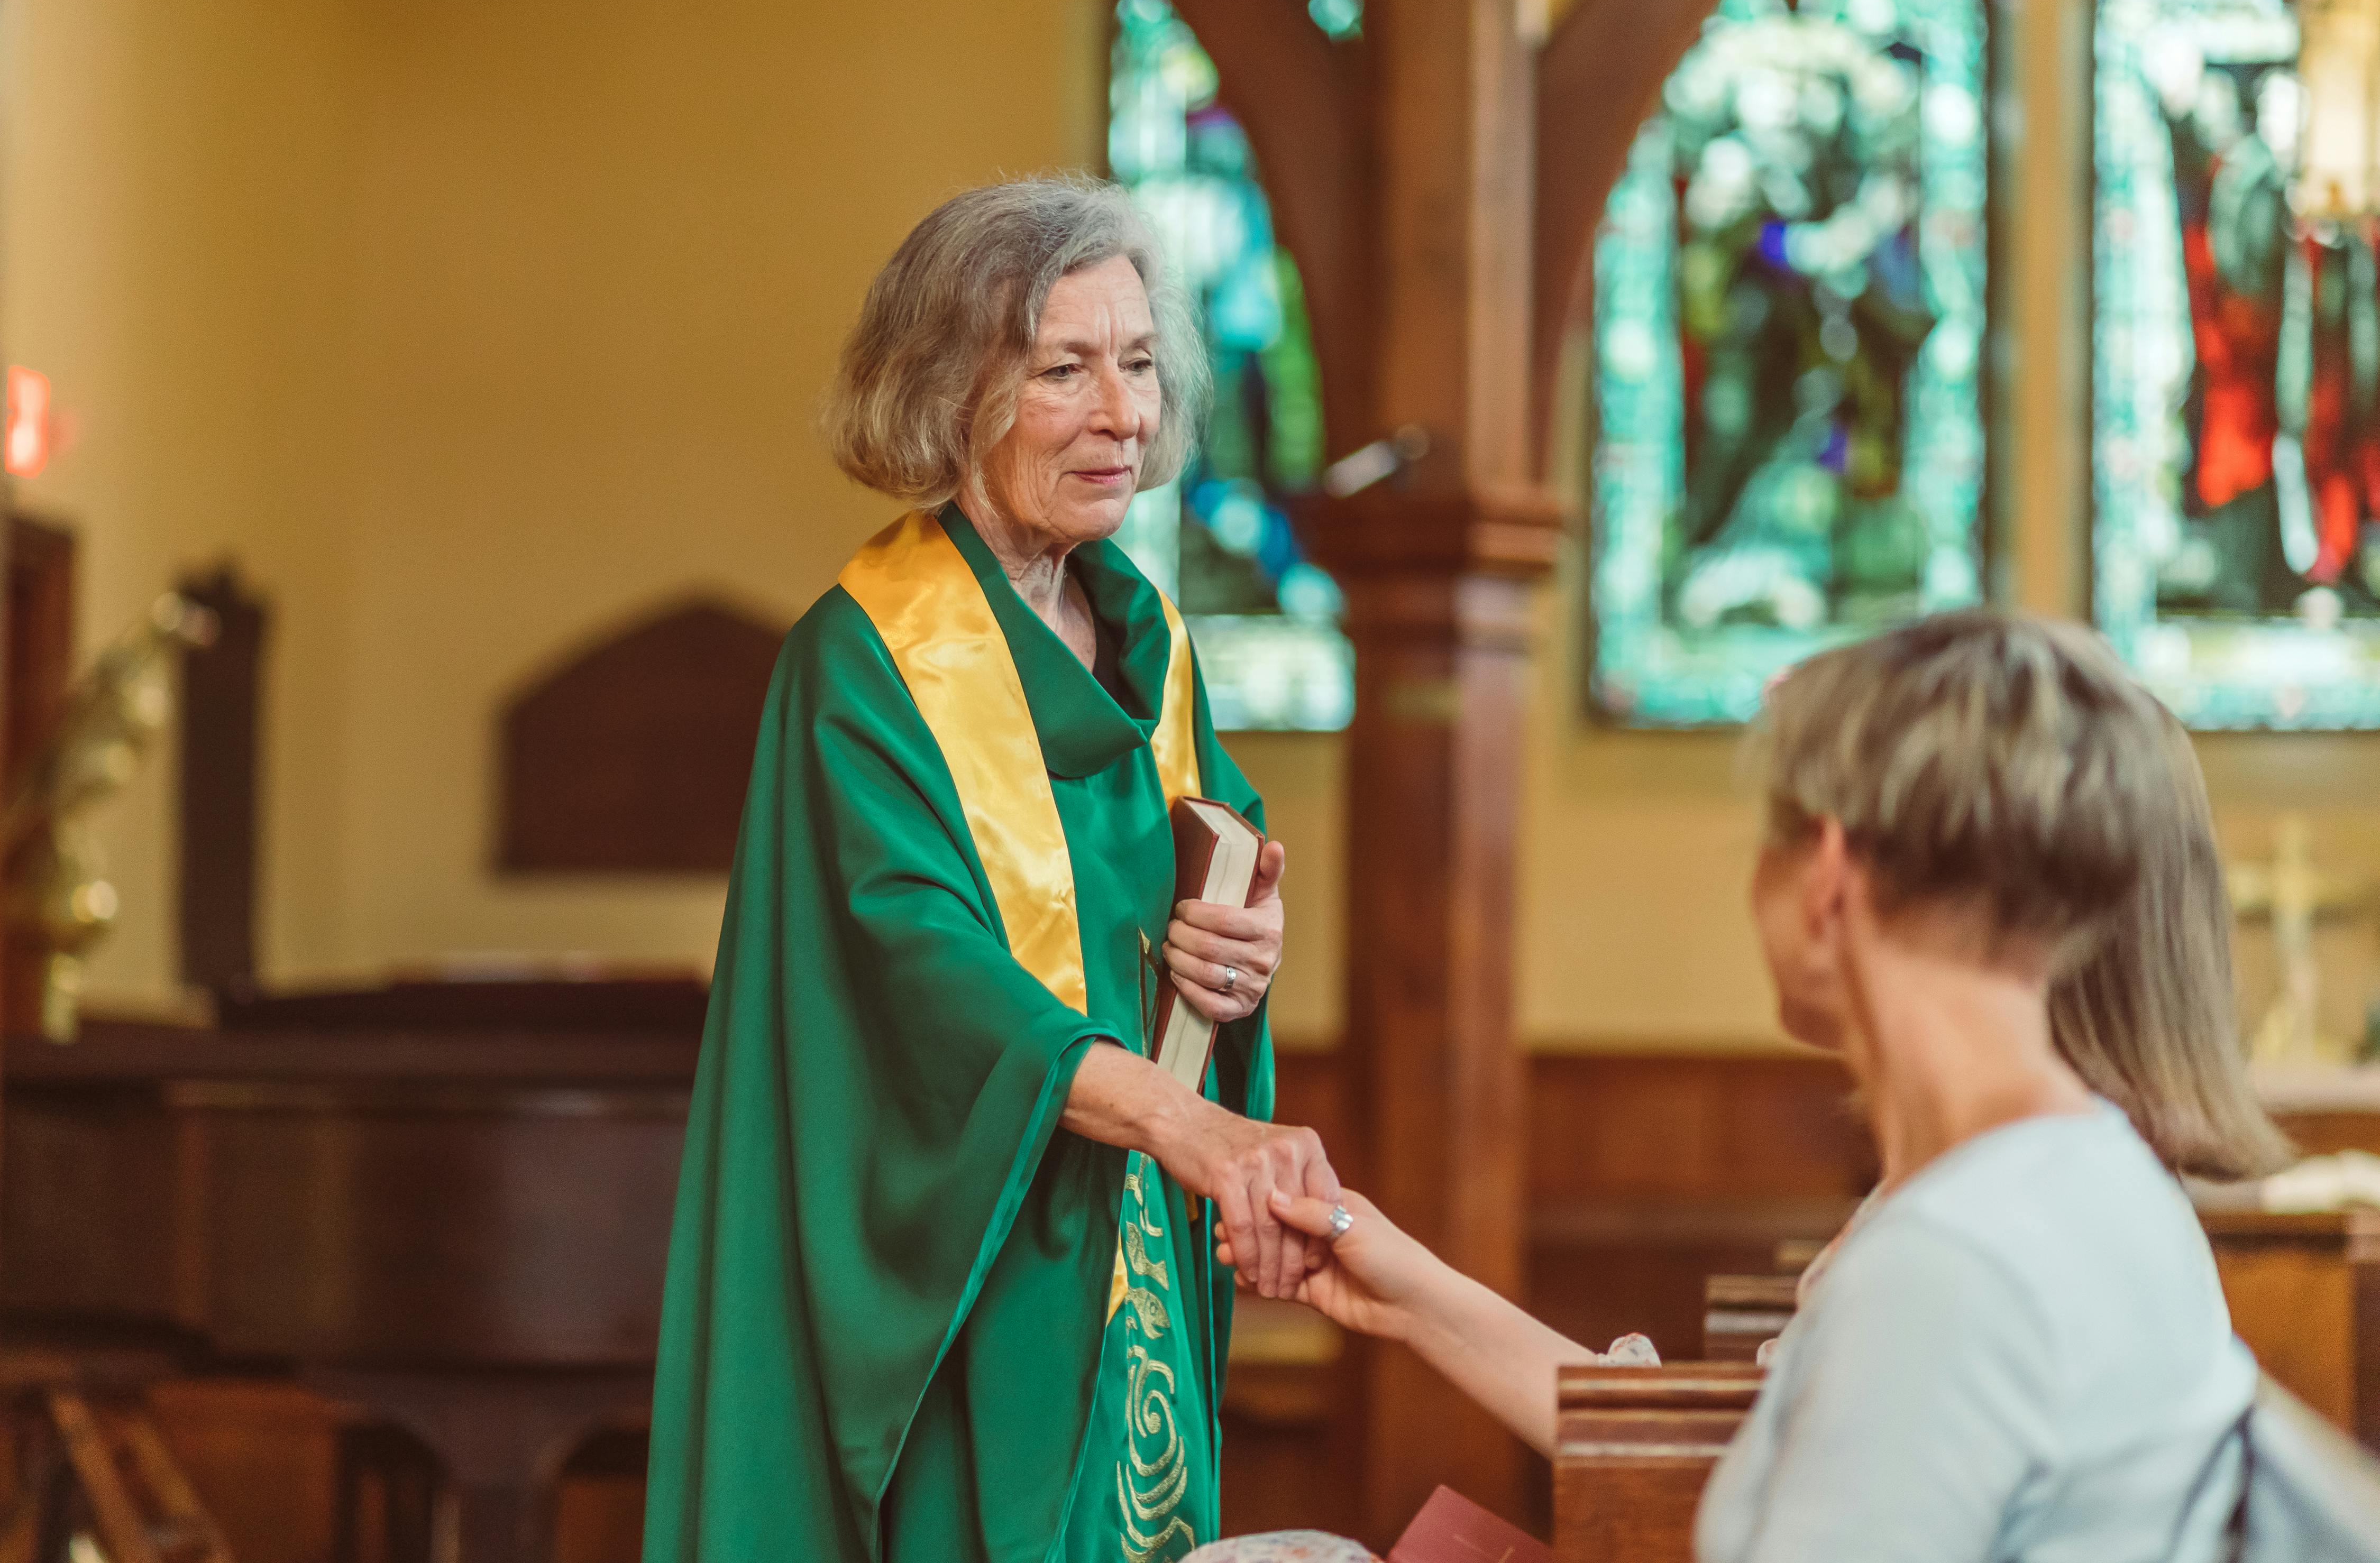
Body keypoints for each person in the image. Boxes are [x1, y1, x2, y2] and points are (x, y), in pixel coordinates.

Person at [1223, 610, 2284, 1561]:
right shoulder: (2071, 1176)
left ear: (1827, 875)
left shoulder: (1955, 1257)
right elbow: (1751, 1455)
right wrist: (1410, 1289)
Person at [644, 176, 1340, 1563]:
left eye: (1138, 364)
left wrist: (1242, 960)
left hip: (1126, 1253)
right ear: (950, 391)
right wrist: (1189, 1131)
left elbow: (1215, 894)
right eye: (1063, 370)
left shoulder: (1151, 648)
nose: (1124, 417)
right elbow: (929, 983)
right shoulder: (865, 664)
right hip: (962, 1279)